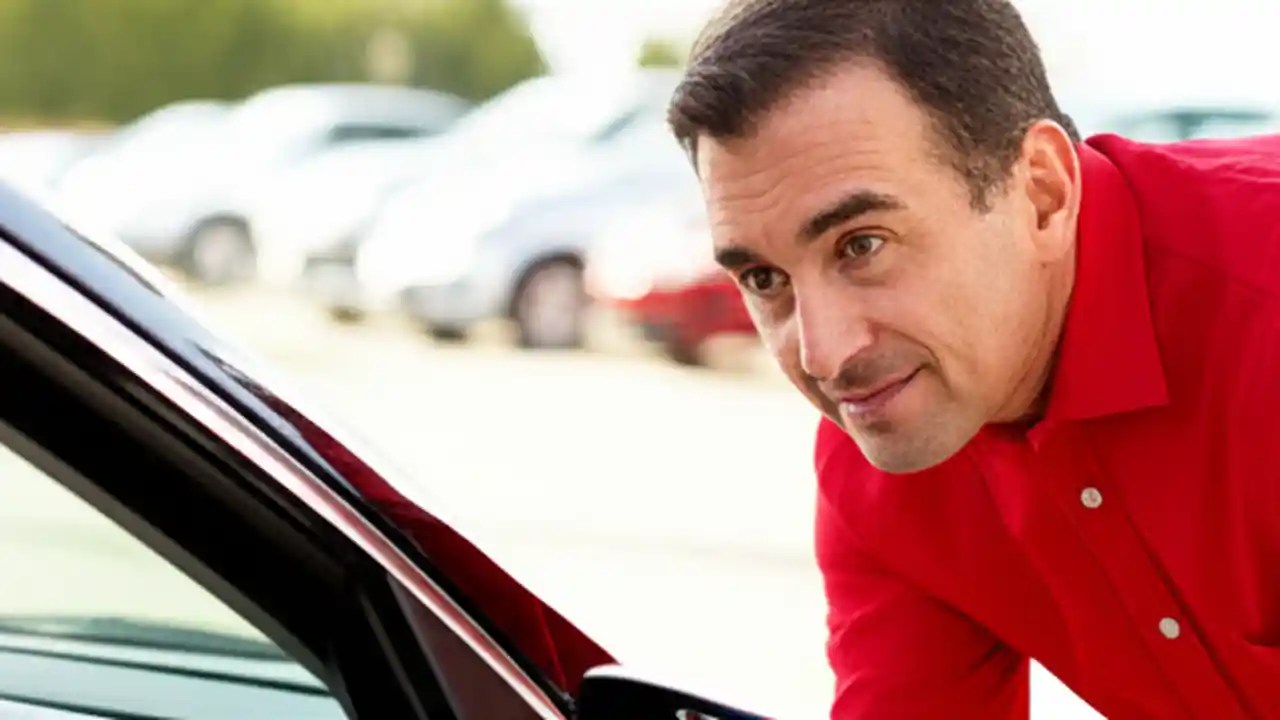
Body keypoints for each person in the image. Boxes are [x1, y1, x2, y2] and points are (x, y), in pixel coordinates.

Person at [667, 1, 1280, 718]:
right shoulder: (882, 455)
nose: (824, 355)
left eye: (862, 245)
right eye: (765, 281)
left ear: (1043, 194)